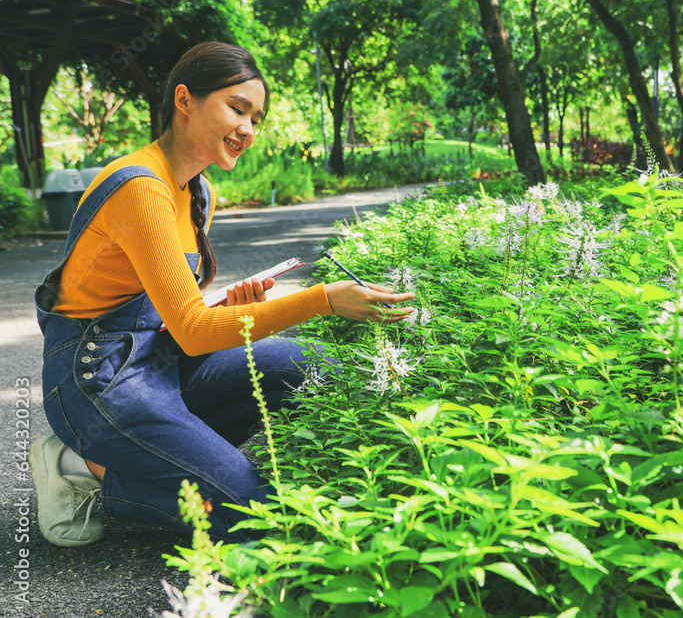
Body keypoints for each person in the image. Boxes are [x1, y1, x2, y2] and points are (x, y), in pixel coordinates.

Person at [29, 41, 415, 547]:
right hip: (98, 381)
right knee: (259, 513)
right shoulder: (140, 186)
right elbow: (192, 332)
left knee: (313, 362)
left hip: (158, 361)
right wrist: (321, 298)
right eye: (238, 109)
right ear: (185, 100)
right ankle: (85, 467)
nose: (249, 130)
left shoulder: (199, 192)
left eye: (257, 118)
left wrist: (234, 312)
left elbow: (176, 318)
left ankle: (113, 458)